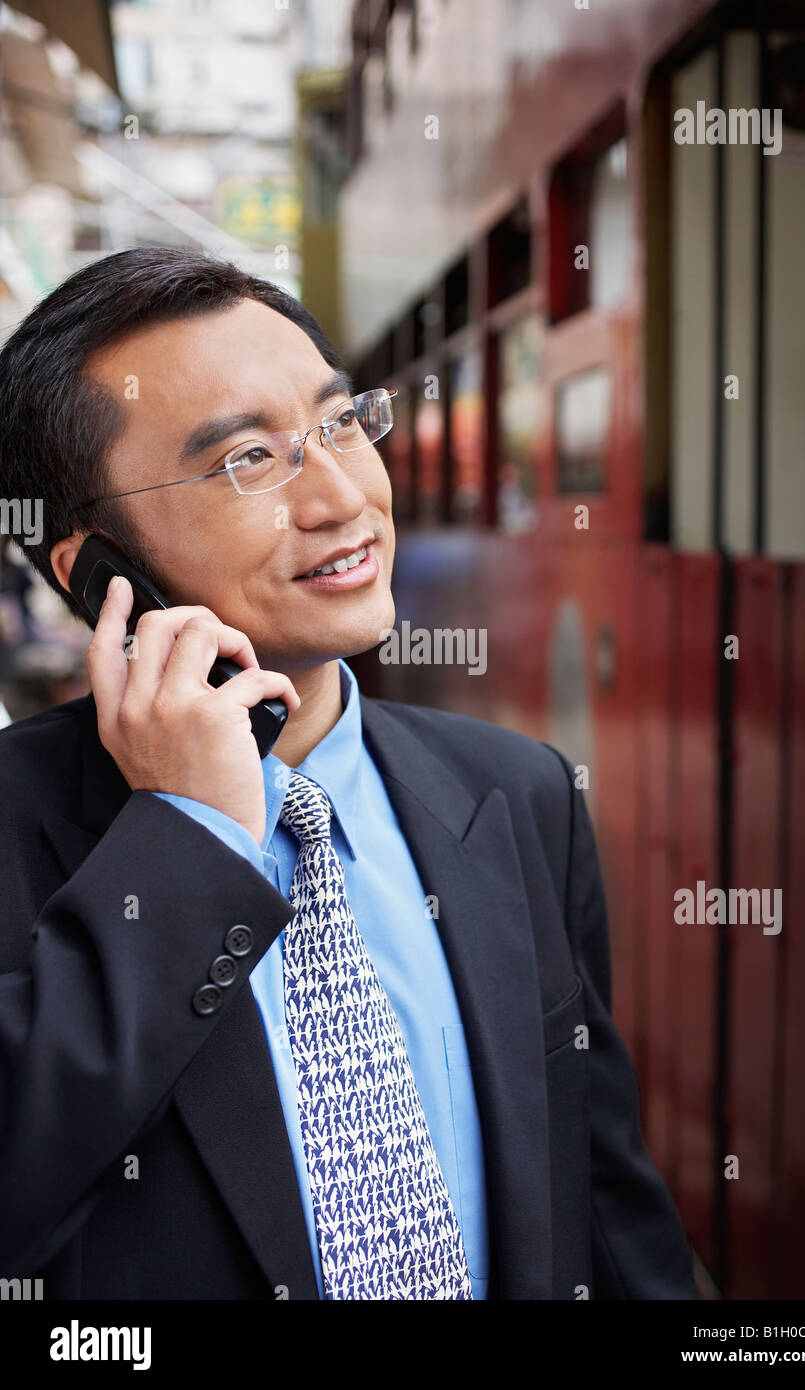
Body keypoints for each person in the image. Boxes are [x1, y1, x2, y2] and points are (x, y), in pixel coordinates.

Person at [0, 247, 697, 1300]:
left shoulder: (516, 793)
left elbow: (604, 1208)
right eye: (245, 461)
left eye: (337, 424)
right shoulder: (19, 828)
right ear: (96, 568)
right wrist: (188, 836)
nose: (338, 498)